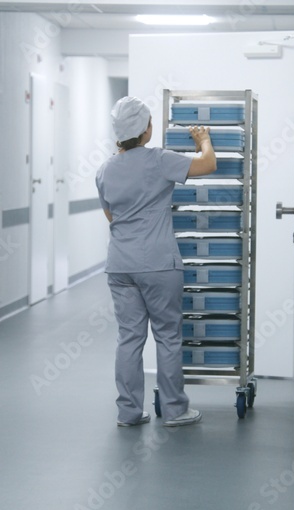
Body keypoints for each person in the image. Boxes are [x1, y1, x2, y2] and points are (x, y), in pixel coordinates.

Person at [96, 96, 217, 427]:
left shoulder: (105, 169)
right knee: (167, 335)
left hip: (120, 265)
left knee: (129, 338)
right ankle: (175, 410)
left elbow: (112, 216)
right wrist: (204, 140)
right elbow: (207, 165)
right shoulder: (159, 160)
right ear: (146, 131)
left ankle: (129, 412)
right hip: (159, 263)